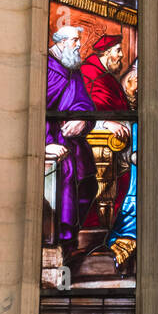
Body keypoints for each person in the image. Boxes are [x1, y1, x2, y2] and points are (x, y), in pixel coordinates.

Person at [45, 26, 97, 254]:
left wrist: (83, 121)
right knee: (65, 178)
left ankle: (70, 238)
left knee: (88, 184)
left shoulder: (72, 68)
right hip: (50, 138)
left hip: (72, 140)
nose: (78, 45)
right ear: (61, 42)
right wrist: (44, 144)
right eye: (75, 40)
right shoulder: (43, 66)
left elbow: (85, 103)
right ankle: (63, 240)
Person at [80, 34, 129, 109]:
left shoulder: (106, 74)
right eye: (118, 50)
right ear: (107, 53)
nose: (121, 54)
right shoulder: (88, 71)